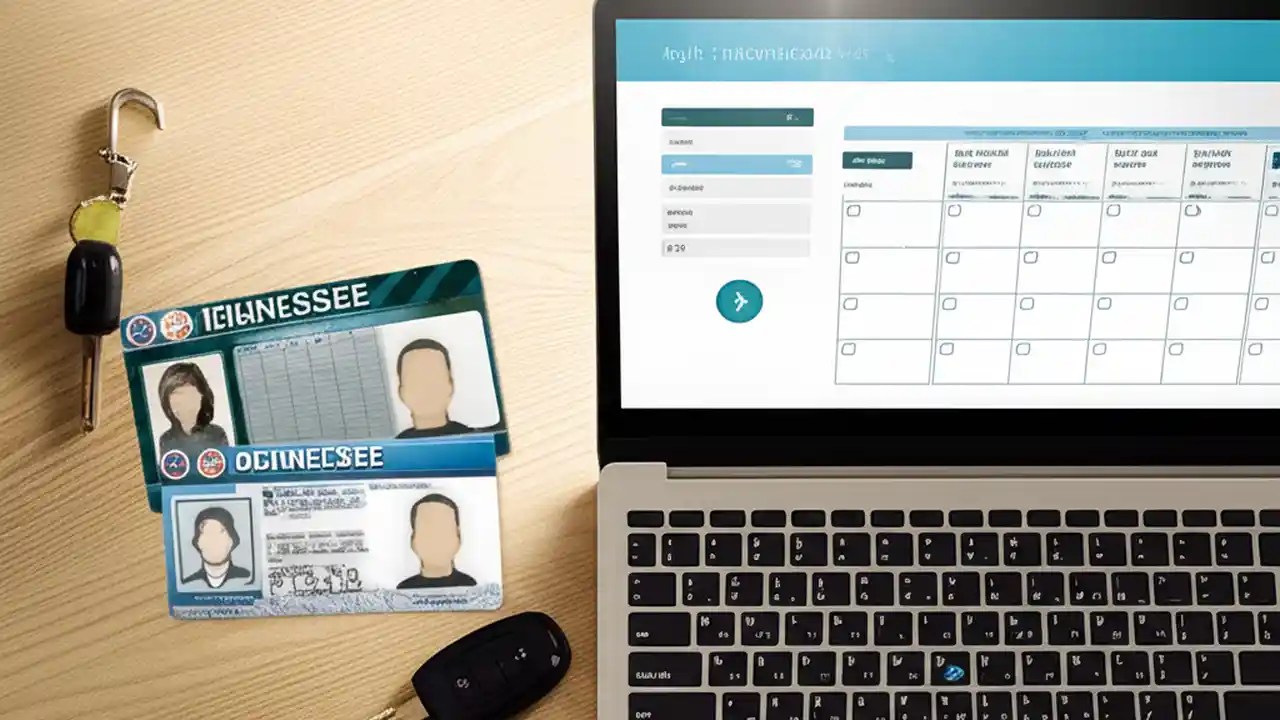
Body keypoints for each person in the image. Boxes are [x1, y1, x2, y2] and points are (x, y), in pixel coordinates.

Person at [394, 339, 478, 439]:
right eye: (416, 380)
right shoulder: (395, 451)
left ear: (451, 386)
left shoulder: (477, 442)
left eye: (434, 377)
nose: (425, 389)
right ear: (401, 393)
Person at [397, 493, 477, 590]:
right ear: (412, 541)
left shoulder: (470, 587)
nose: (435, 540)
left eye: (443, 530)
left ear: (459, 538)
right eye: (427, 531)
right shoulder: (403, 591)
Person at [156, 362, 230, 457]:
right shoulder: (166, 440)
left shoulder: (216, 434)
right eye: (177, 400)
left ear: (202, 397)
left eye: (189, 398)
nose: (184, 407)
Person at [182, 506, 252, 589]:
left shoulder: (246, 578)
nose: (214, 542)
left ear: (232, 540)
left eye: (220, 533)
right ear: (197, 542)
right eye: (208, 534)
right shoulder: (189, 584)